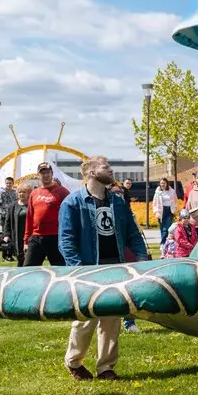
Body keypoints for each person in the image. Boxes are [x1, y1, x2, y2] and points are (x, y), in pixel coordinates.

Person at [58, 156, 150, 381]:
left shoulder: (117, 202)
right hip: (88, 269)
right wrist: (77, 270)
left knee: (112, 320)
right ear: (90, 172)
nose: (111, 170)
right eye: (105, 167)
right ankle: (74, 362)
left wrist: (140, 257)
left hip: (115, 266)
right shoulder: (72, 202)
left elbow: (132, 233)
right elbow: (66, 240)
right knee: (85, 320)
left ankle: (106, 367)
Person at [24, 162, 69, 267]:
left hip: (56, 237)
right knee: (28, 269)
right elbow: (29, 217)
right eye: (42, 173)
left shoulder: (62, 191)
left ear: (52, 173)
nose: (45, 175)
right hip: (36, 237)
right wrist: (26, 240)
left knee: (61, 269)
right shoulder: (34, 193)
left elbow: (69, 215)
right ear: (38, 175)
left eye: (48, 172)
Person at [2, 181, 33, 266]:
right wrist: (6, 235)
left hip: (30, 236)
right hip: (17, 236)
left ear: (29, 193)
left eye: (24, 192)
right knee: (20, 257)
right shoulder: (12, 206)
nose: (21, 194)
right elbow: (7, 222)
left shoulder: (32, 204)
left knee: (30, 258)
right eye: (19, 192)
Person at [152, 176, 177, 247]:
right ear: (159, 184)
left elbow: (175, 201)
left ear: (167, 183)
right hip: (160, 211)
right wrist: (156, 212)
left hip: (169, 210)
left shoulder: (172, 191)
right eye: (161, 183)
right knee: (162, 228)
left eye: (164, 183)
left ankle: (163, 243)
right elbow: (154, 203)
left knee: (167, 228)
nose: (163, 184)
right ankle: (165, 244)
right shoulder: (157, 192)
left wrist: (174, 209)